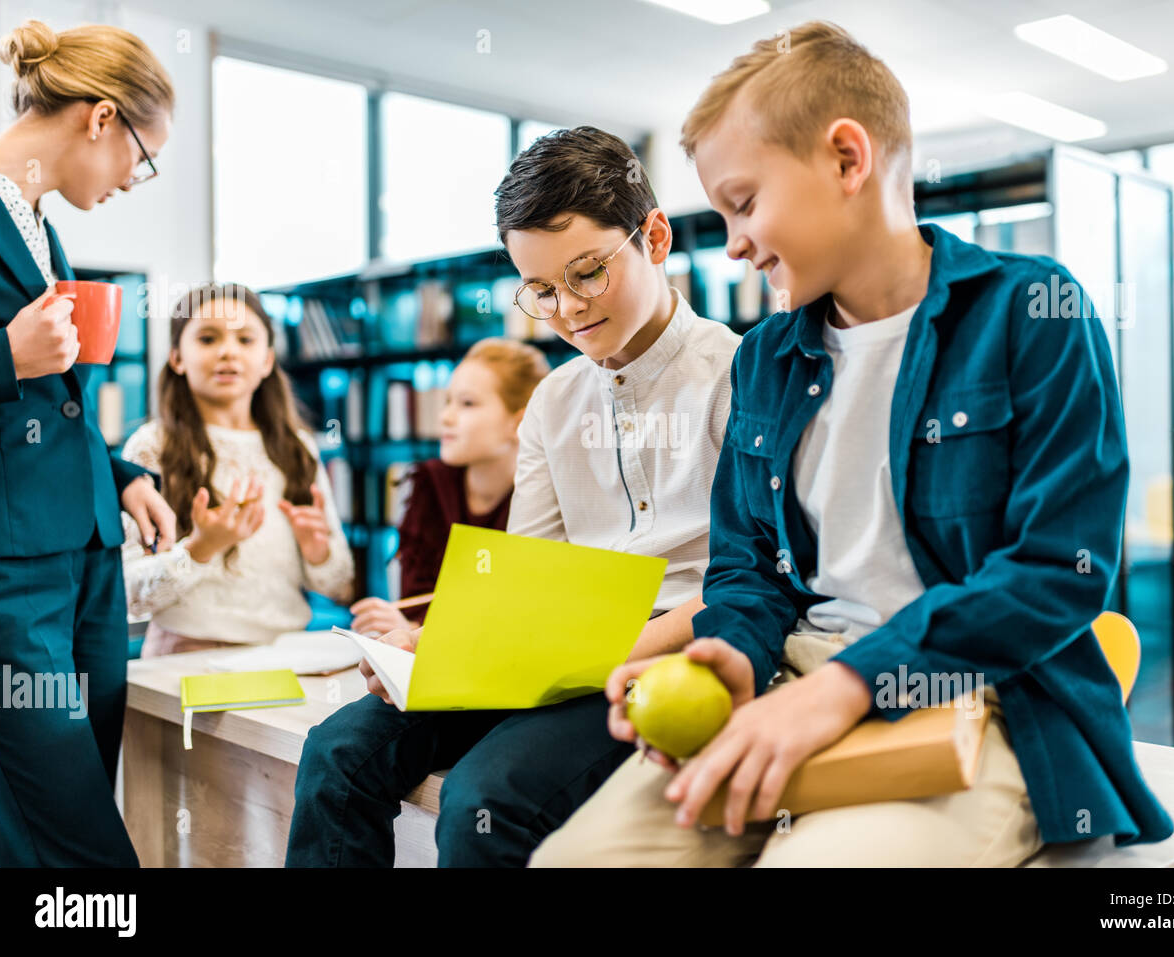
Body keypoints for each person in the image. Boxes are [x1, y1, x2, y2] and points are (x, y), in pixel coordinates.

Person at [531, 21, 1174, 867]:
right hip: (793, 681)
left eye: (744, 202)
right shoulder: (766, 357)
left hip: (979, 693)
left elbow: (1060, 570)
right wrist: (730, 653)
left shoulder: (1031, 313)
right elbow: (747, 570)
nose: (732, 242)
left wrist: (849, 685)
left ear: (846, 159)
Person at [286, 127, 740, 867]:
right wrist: (434, 650)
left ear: (654, 237)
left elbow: (750, 581)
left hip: (672, 652)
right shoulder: (554, 401)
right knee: (336, 751)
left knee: (485, 799)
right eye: (541, 291)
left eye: (588, 273)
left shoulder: (739, 376)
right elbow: (525, 574)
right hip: (562, 645)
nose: (566, 309)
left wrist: (600, 654)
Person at [0, 19, 176, 866]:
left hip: (88, 556)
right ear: (101, 117)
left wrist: (124, 473)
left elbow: (56, 408)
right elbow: (15, 373)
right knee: (82, 853)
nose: (137, 180)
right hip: (9, 574)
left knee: (64, 833)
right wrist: (2, 357)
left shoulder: (38, 223)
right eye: (143, 154)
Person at [121, 283, 354, 655]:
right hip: (186, 655)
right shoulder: (151, 446)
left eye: (245, 340)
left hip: (287, 656)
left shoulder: (298, 447)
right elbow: (127, 592)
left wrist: (318, 553)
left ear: (267, 360)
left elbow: (339, 583)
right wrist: (200, 549)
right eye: (209, 338)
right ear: (177, 358)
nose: (228, 351)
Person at [347, 338, 551, 638]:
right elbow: (414, 598)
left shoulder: (545, 497)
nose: (445, 417)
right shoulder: (428, 482)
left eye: (467, 403)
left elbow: (526, 617)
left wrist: (417, 630)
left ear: (519, 423)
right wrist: (410, 627)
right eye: (448, 401)